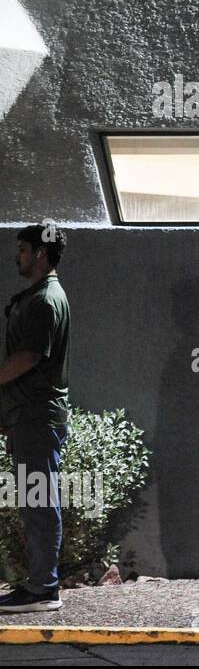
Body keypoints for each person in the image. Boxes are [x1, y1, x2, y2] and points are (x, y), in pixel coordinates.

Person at [0, 225, 72, 614]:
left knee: (39, 501)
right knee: (35, 499)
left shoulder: (46, 300)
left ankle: (44, 588)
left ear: (41, 255)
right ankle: (39, 583)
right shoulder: (37, 296)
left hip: (37, 418)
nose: (18, 256)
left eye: (24, 250)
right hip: (28, 417)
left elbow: (28, 357)